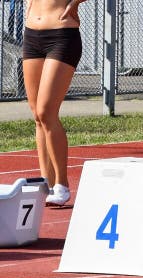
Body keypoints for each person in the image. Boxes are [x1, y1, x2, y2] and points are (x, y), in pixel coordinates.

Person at [22, 0, 87, 207]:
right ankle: (46, 183)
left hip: (62, 35)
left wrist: (75, 3)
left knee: (46, 111)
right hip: (31, 34)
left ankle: (62, 184)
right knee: (38, 116)